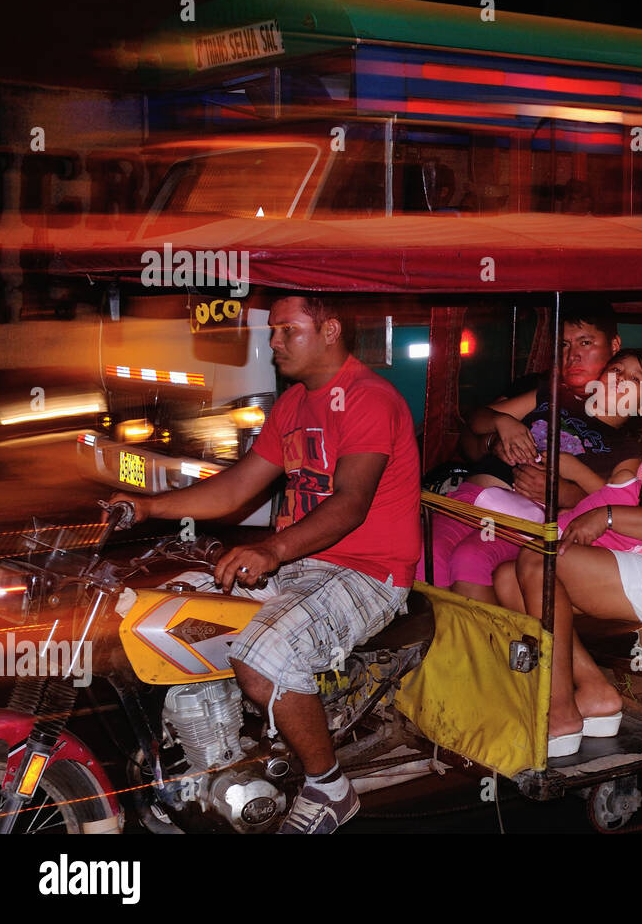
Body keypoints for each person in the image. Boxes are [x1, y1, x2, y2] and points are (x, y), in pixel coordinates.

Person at [110, 293, 421, 833]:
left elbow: (350, 502)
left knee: (264, 654)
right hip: (301, 565)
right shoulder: (296, 403)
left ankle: (330, 789)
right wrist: (149, 508)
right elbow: (237, 488)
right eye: (272, 331)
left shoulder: (369, 398)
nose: (273, 343)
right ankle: (210, 760)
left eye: (286, 331)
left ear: (330, 330)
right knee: (171, 614)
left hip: (367, 572)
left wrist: (271, 548)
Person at [499, 336, 642, 755]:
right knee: (508, 577)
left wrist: (607, 517)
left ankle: (560, 710)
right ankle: (596, 692)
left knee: (541, 560)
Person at [422, 315, 642, 604]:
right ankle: (444, 643)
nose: (621, 379)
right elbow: (476, 420)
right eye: (617, 369)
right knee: (427, 554)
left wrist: (572, 471)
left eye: (636, 379)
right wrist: (502, 424)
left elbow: (614, 499)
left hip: (527, 516)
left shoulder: (627, 448)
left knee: (470, 559)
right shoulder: (555, 396)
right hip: (474, 494)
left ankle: (479, 646)